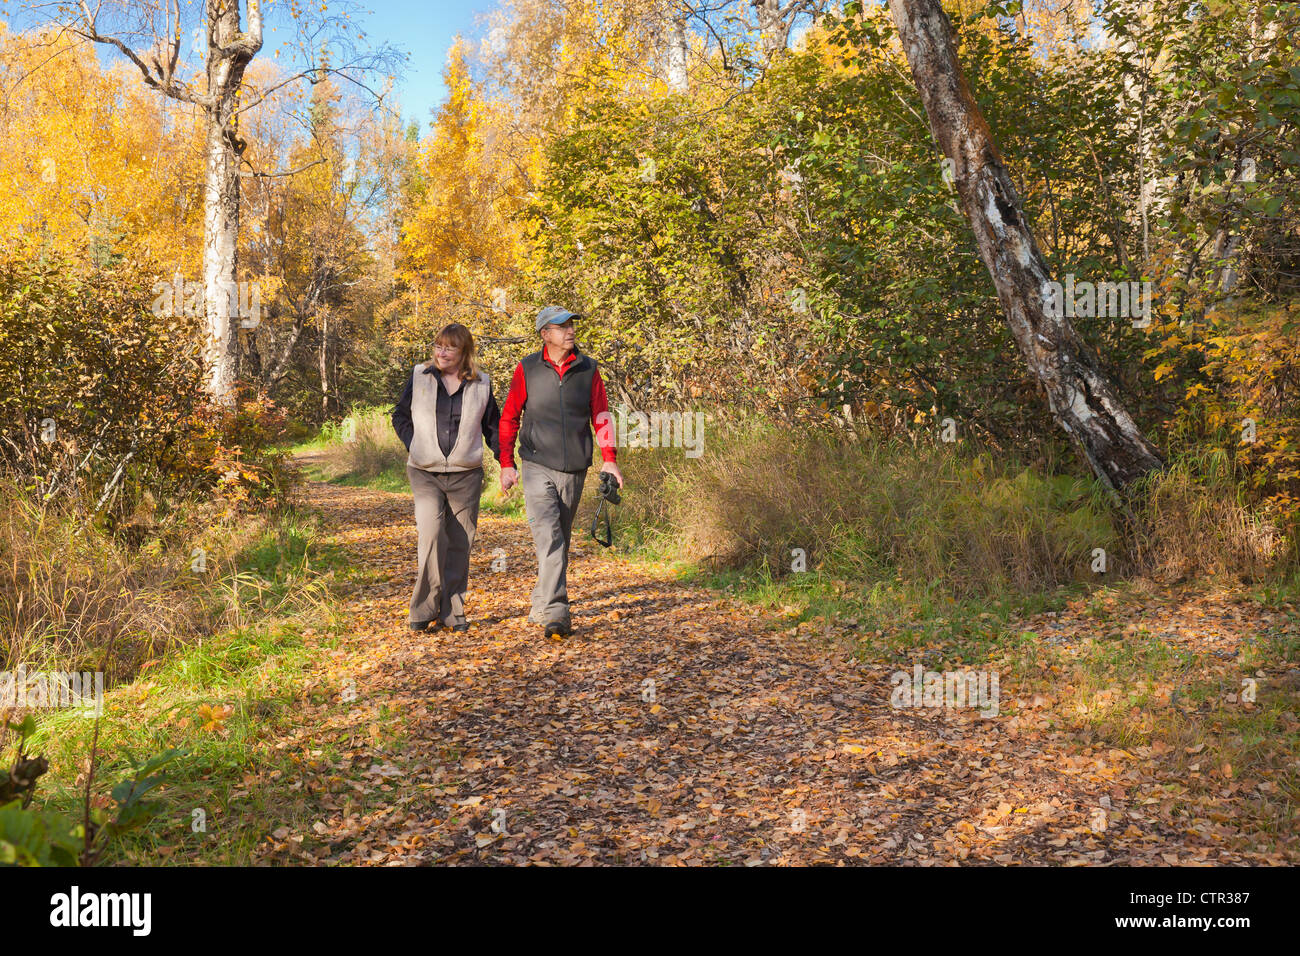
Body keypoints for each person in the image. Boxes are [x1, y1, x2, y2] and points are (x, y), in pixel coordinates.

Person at [498, 305, 623, 638]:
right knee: (550, 538)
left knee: (560, 541)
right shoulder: (526, 369)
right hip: (537, 465)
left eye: (571, 325)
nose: (570, 330)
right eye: (562, 326)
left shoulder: (589, 370)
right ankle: (557, 613)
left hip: (575, 468)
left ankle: (540, 601)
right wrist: (507, 464)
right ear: (545, 334)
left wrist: (609, 458)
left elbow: (602, 416)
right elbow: (509, 417)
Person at [391, 323, 502, 633]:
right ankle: (423, 609)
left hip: (466, 476)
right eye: (438, 346)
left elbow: (492, 427)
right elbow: (399, 415)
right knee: (431, 535)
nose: (441, 352)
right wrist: (414, 443)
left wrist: (506, 463)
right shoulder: (419, 376)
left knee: (459, 542)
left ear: (463, 352)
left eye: (449, 348)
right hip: (425, 473)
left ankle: (452, 612)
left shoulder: (481, 384)